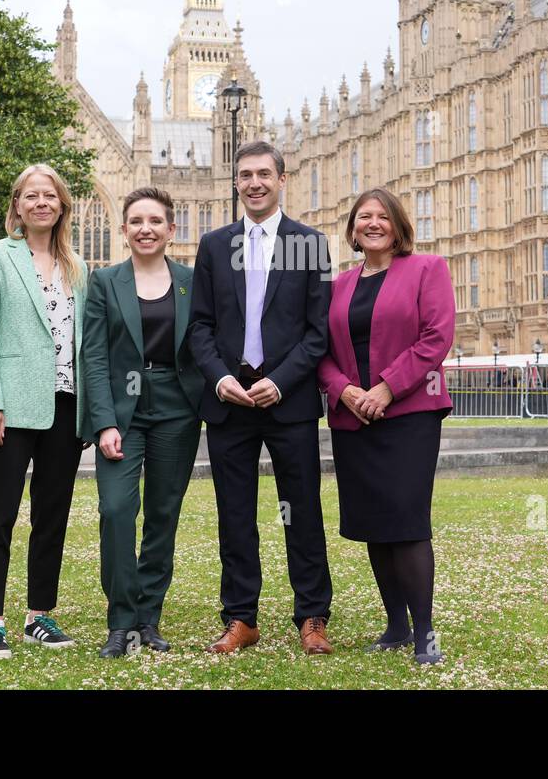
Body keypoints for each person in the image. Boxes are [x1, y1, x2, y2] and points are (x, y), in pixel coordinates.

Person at [187, 141, 334, 656]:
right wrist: (219, 377)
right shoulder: (214, 244)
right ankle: (241, 618)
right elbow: (200, 326)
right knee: (235, 513)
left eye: (263, 174)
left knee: (301, 510)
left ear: (281, 179)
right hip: (229, 400)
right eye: (245, 175)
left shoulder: (309, 243)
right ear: (235, 182)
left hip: (286, 401)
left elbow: (319, 333)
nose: (254, 183)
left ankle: (312, 617)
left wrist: (284, 380)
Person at [317, 188, 455, 664]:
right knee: (374, 522)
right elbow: (322, 352)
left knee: (407, 520)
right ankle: (395, 624)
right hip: (354, 418)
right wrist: (346, 391)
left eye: (381, 216)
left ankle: (425, 633)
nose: (372, 223)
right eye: (363, 217)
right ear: (353, 229)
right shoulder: (338, 286)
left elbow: (436, 337)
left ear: (397, 226)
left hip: (409, 414)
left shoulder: (427, 269)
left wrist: (386, 388)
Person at [0, 163, 90, 661]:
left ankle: (39, 615)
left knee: (52, 515)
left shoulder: (77, 266)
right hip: (10, 406)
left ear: (61, 205)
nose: (41, 203)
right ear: (17, 205)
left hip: (65, 405)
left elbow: (84, 343)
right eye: (31, 195)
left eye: (50, 195)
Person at [82, 188, 204, 659]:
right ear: (124, 229)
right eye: (136, 221)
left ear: (171, 230)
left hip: (177, 407)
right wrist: (103, 422)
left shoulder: (192, 282)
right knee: (115, 510)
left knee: (162, 515)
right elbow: (93, 355)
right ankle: (121, 619)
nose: (145, 229)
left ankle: (148, 619)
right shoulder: (105, 282)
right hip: (121, 410)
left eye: (155, 221)